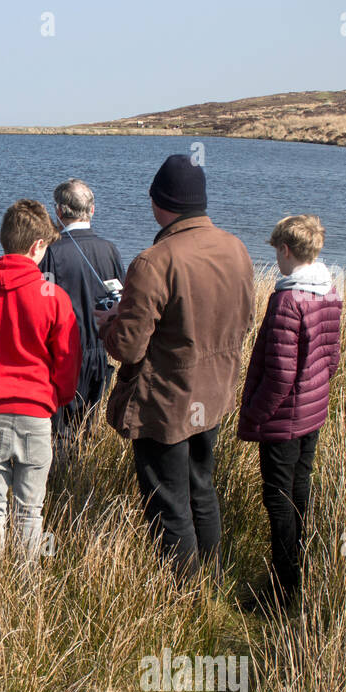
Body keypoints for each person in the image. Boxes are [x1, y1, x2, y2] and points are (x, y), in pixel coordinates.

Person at [96, 155, 253, 577]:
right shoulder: (236, 248)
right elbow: (245, 318)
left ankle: (183, 602)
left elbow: (128, 349)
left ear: (159, 201)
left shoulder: (153, 262)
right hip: (214, 394)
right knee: (202, 489)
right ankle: (212, 582)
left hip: (165, 403)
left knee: (168, 505)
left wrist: (108, 324)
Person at [0, 199, 80, 559]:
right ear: (37, 246)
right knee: (29, 512)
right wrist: (55, 398)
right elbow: (67, 368)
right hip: (37, 415)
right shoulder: (54, 298)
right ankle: (24, 591)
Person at [237, 215, 343, 609]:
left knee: (278, 499)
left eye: (275, 251)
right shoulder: (329, 290)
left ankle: (282, 592)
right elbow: (330, 357)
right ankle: (299, 575)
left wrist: (255, 414)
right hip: (313, 410)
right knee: (299, 491)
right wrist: (317, 392)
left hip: (284, 418)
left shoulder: (287, 299)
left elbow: (280, 374)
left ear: (285, 249)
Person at [39, 179, 126, 463]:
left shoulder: (52, 252)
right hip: (101, 355)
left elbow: (41, 307)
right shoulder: (110, 250)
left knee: (59, 433)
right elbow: (121, 300)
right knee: (87, 429)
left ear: (59, 212)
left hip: (66, 356)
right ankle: (80, 486)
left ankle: (61, 492)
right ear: (92, 210)